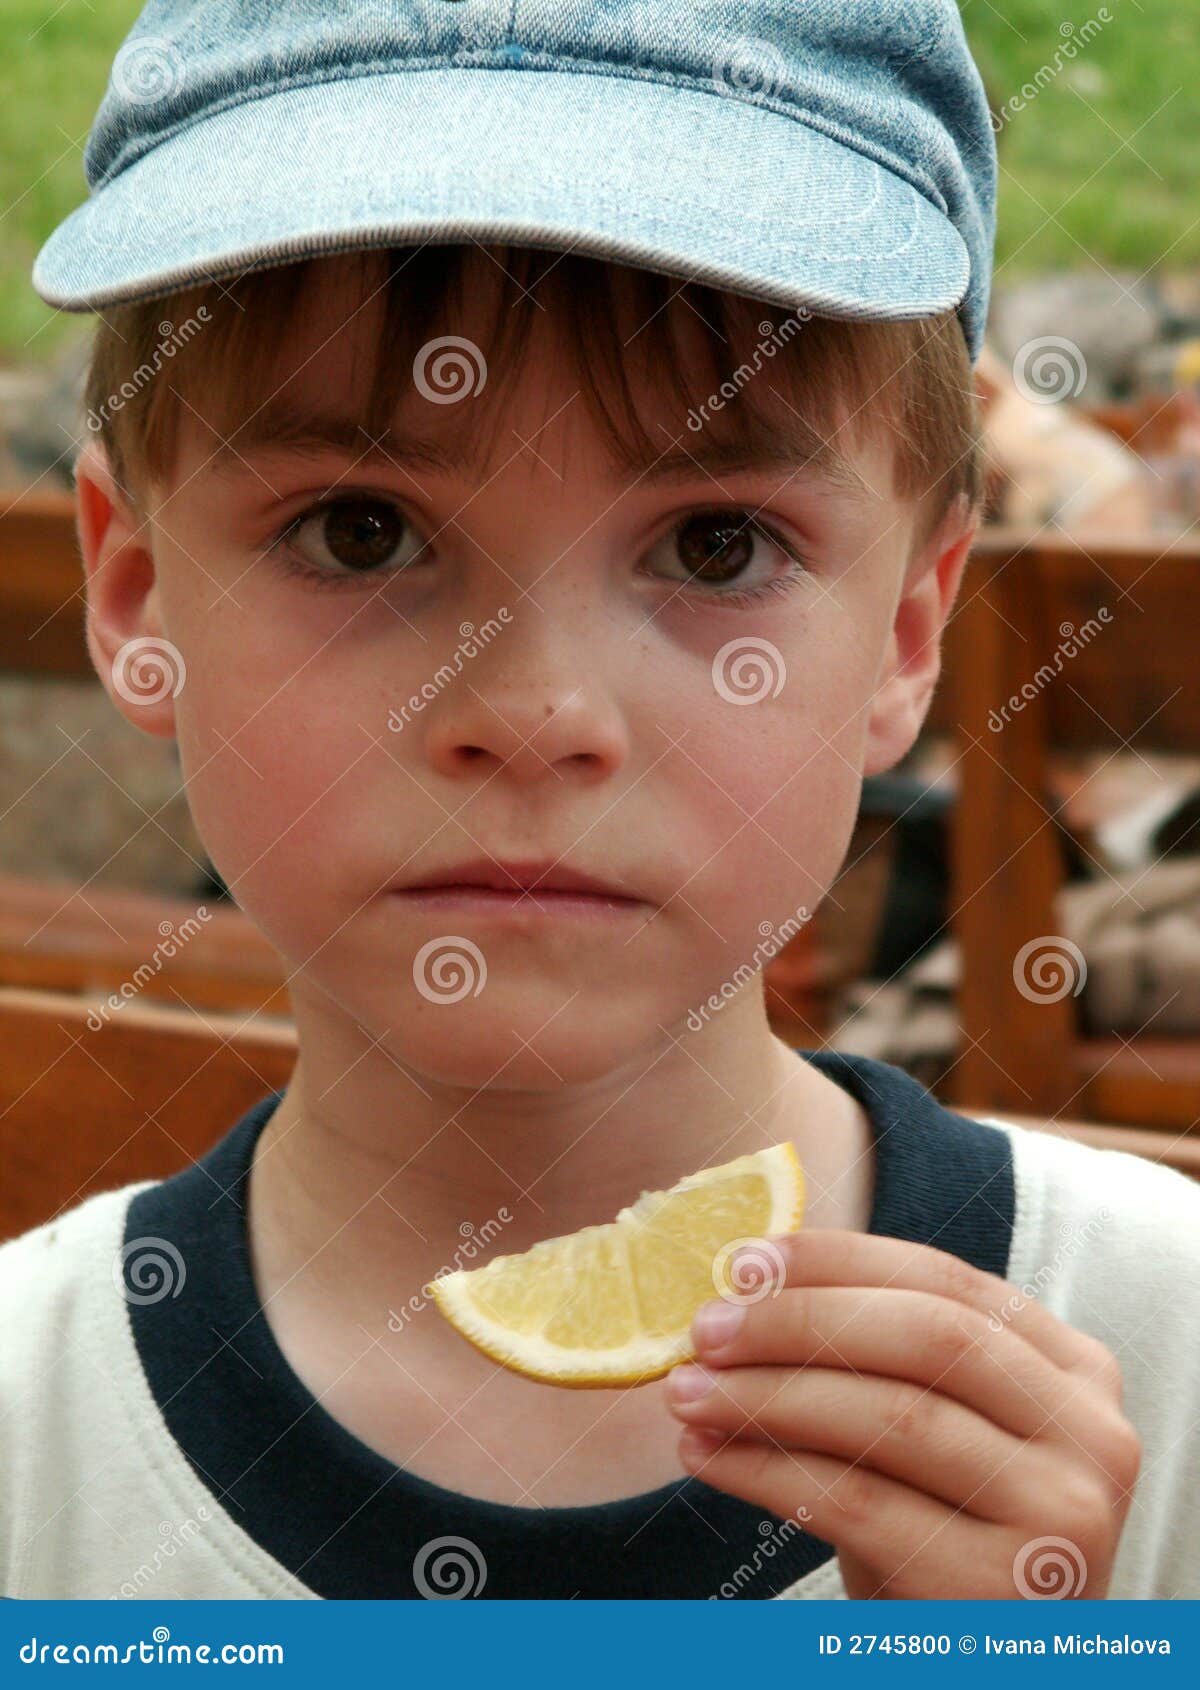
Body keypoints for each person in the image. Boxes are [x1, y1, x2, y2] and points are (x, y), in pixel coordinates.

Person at [4, 0, 1197, 1602]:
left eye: (716, 546)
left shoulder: (1153, 1363)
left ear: (911, 631)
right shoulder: (30, 1443)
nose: (535, 711)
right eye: (362, 530)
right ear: (137, 594)